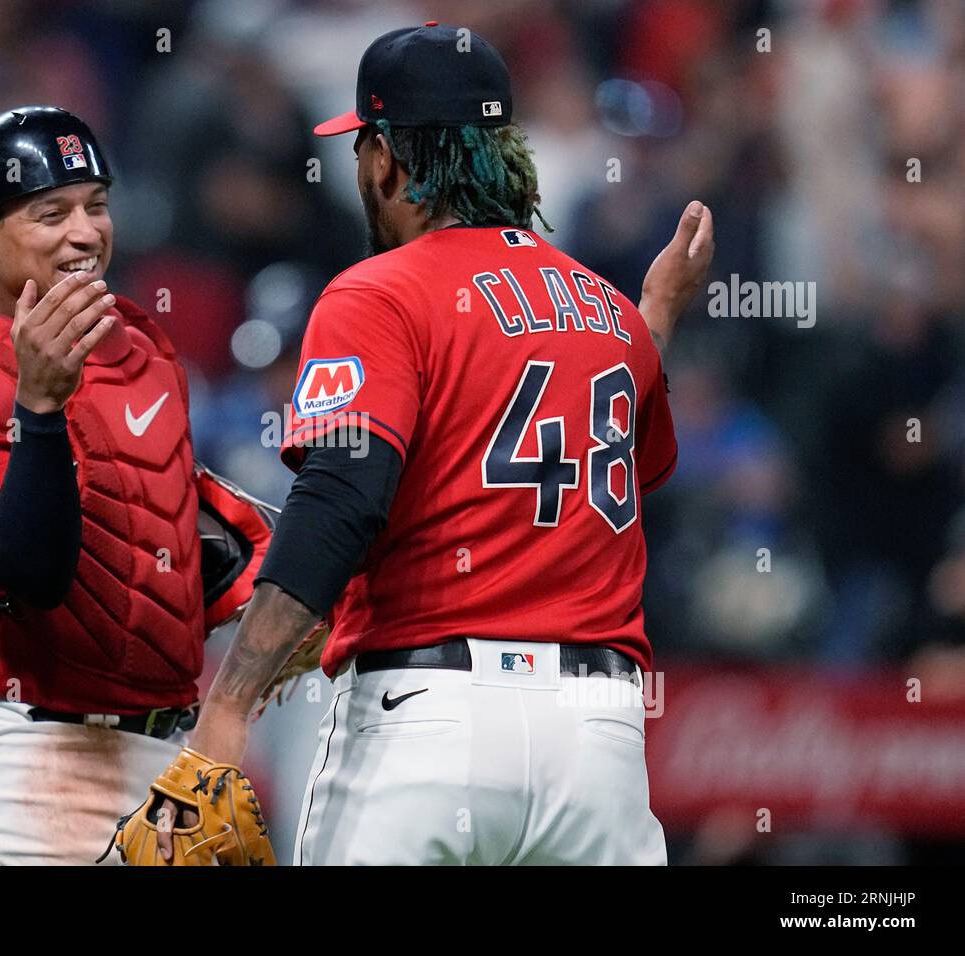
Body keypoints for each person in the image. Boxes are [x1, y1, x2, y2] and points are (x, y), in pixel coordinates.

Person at [136, 23, 714, 866]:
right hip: (600, 746)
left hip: (429, 726)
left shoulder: (377, 292)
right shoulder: (608, 311)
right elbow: (618, 456)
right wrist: (654, 319)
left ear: (385, 159)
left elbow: (342, 494)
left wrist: (225, 711)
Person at [0, 105, 266, 865]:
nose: (86, 232)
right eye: (51, 212)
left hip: (162, 756)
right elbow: (28, 572)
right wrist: (39, 409)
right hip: (20, 753)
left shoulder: (143, 356)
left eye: (97, 205)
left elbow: (150, 538)